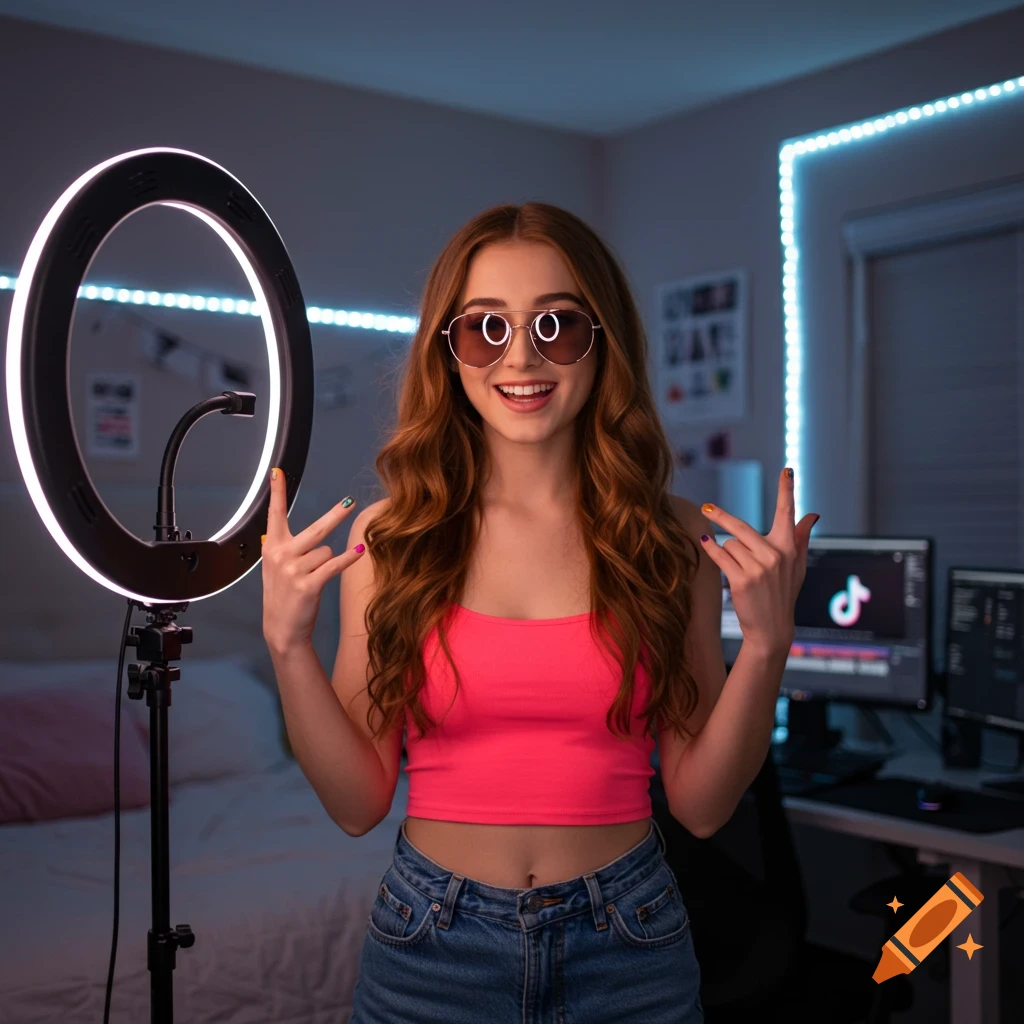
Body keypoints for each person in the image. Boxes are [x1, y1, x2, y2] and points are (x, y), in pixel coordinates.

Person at [261, 202, 819, 1023]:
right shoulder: (391, 538)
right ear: (447, 352)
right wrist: (286, 645)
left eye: (556, 325)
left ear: (603, 344)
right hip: (430, 945)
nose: (520, 355)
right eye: (485, 328)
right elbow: (356, 805)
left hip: (630, 943)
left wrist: (767, 645)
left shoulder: (667, 538)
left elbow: (702, 806)